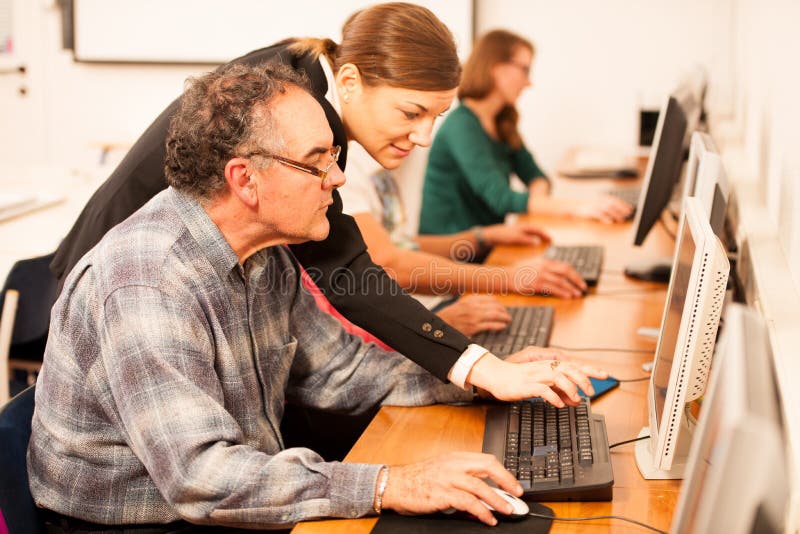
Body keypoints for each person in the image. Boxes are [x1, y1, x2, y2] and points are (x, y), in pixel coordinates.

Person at [29, 62, 605, 530]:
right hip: (142, 526)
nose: (337, 177)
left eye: (333, 155)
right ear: (244, 180)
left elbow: (341, 370)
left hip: (226, 507)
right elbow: (199, 475)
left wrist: (479, 381)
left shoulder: (265, 251)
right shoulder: (147, 281)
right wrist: (389, 484)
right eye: (315, 162)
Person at [48, 2, 564, 408]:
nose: (424, 137)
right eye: (411, 112)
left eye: (437, 116)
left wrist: (472, 368)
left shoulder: (307, 76)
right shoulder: (294, 110)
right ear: (350, 82)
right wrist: (480, 367)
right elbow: (350, 271)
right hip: (126, 287)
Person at [340, 141, 587, 337]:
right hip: (407, 323)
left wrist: (481, 237)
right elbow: (388, 264)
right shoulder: (343, 171)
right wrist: (508, 277)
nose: (424, 137)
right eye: (412, 113)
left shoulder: (369, 163)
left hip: (424, 307)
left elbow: (398, 244)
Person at [419, 29, 634, 236]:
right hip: (451, 259)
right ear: (497, 68)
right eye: (525, 70)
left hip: (487, 248)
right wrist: (578, 207)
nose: (529, 82)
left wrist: (538, 203)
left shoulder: (502, 121)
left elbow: (537, 177)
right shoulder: (462, 125)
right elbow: (501, 199)